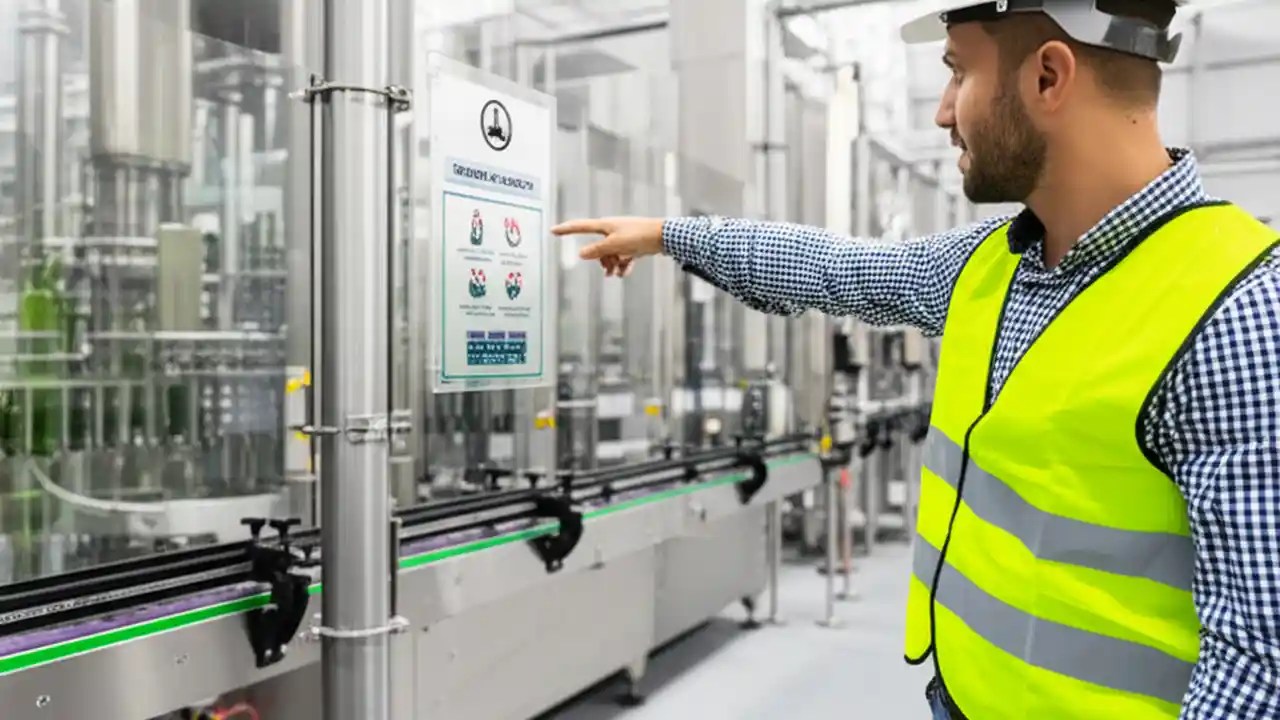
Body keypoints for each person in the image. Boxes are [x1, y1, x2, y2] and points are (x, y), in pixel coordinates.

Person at [551, 0, 1280, 718]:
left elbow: (1258, 666)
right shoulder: (993, 266)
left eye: (958, 73)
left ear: (1049, 78)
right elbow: (835, 268)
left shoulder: (1239, 310)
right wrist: (668, 236)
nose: (941, 112)